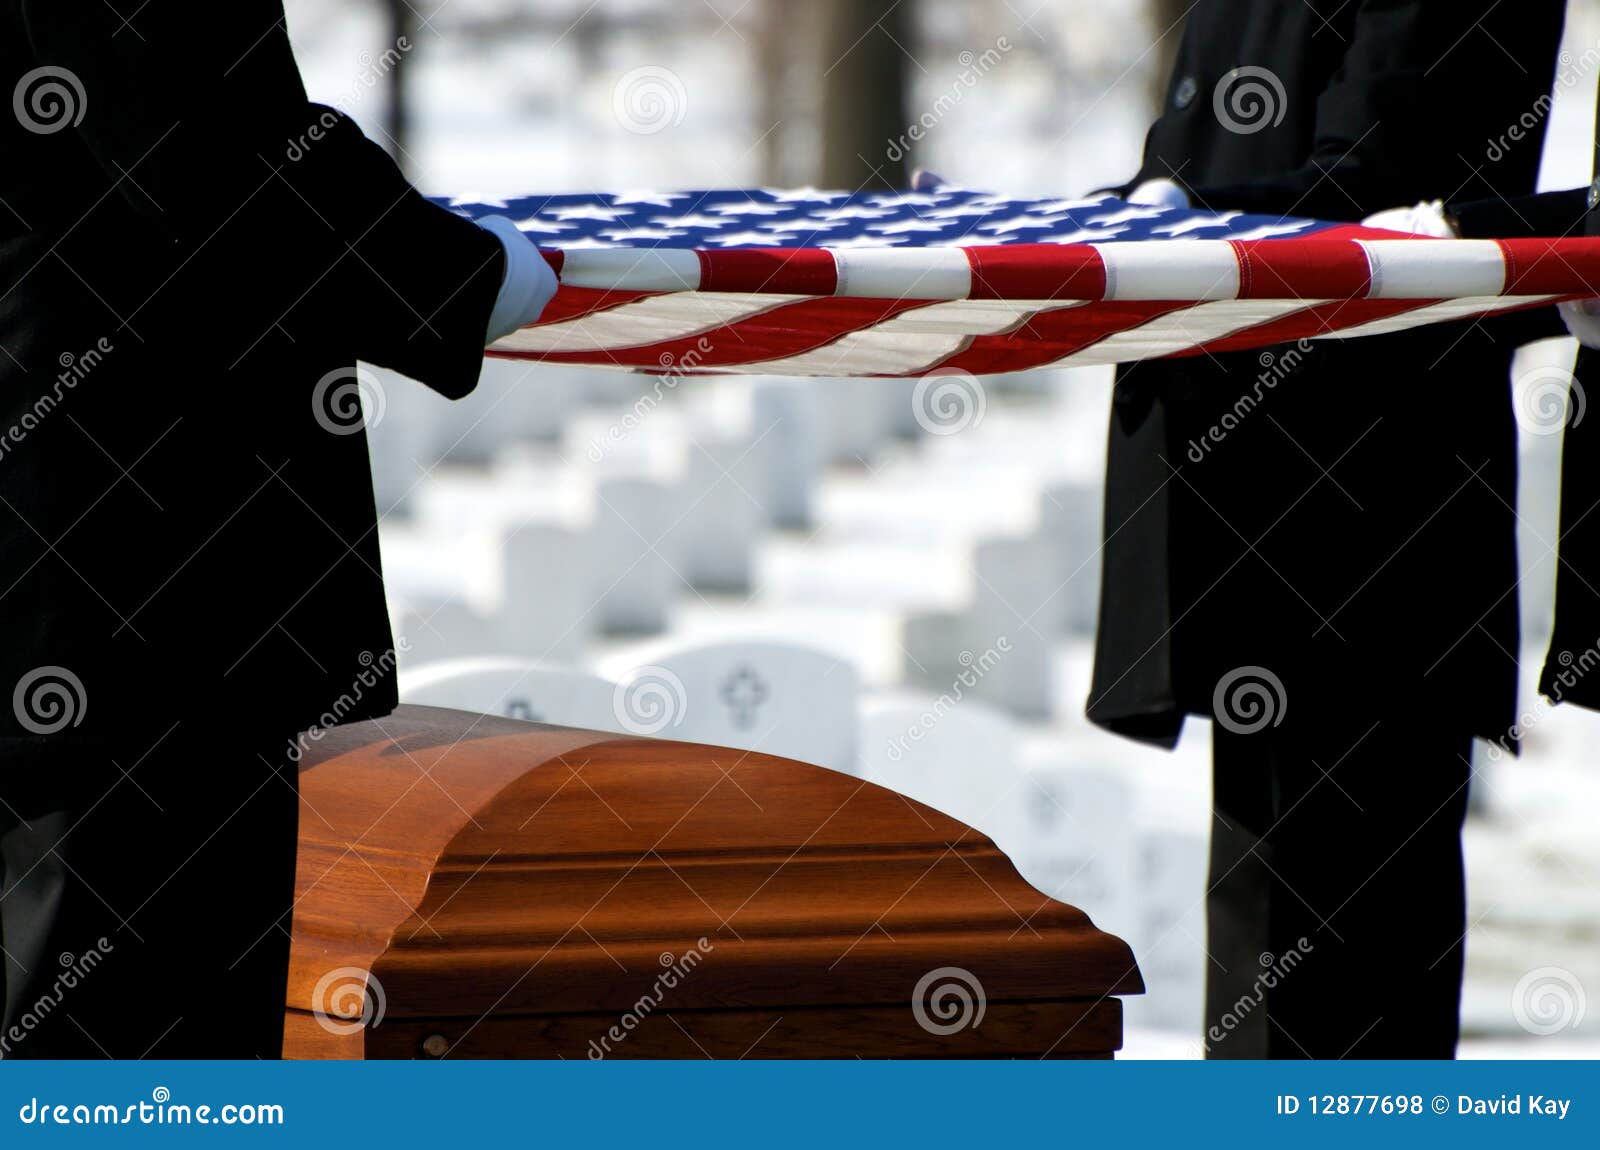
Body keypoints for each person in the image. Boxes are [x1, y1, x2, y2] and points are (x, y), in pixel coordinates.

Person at [0, 3, 555, 1057]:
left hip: (103, 564)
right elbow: (206, 156)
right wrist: (462, 278)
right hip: (135, 572)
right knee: (121, 1022)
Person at [1089, 1, 1563, 1057]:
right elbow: (1213, 151)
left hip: (1364, 527)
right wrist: (1129, 216)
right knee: (1272, 955)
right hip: (1257, 500)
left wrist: (1167, 219)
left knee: (1343, 976)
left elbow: (1385, 195)